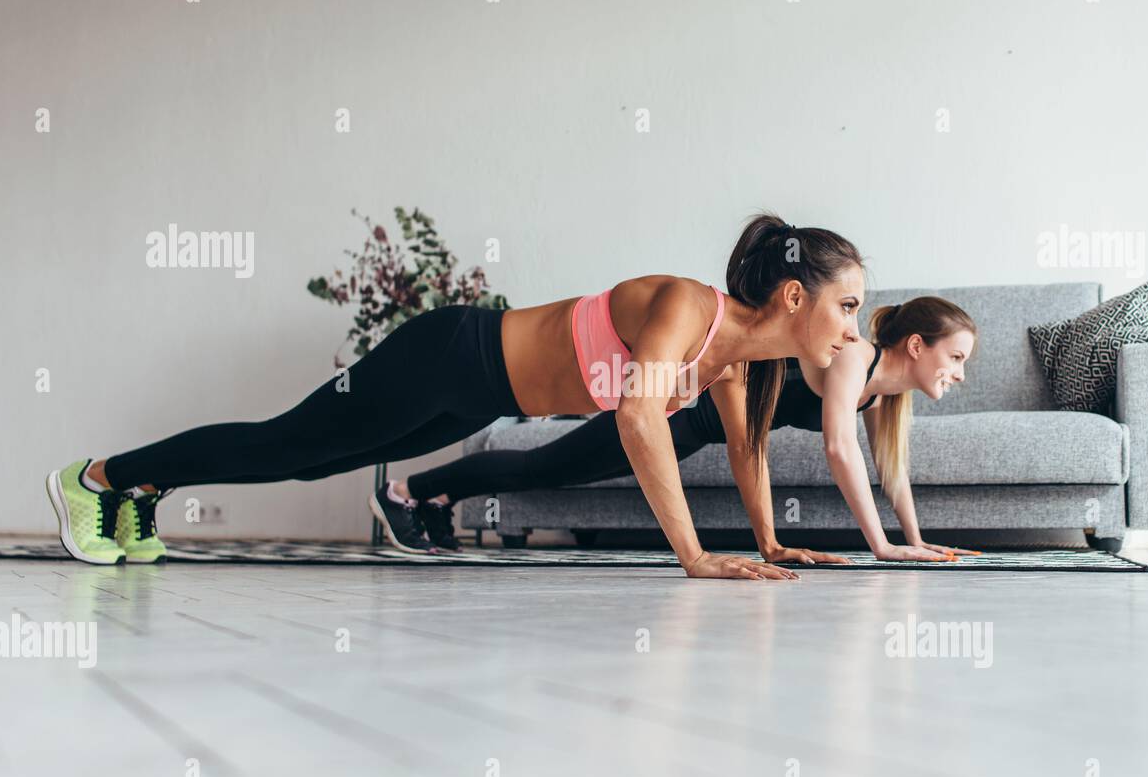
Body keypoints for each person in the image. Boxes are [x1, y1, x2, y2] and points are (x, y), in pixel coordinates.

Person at [46, 214, 866, 580]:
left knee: (305, 462)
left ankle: (142, 492)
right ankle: (99, 479)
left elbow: (746, 447)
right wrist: (694, 557)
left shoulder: (733, 367)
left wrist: (767, 543)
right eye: (849, 306)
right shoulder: (687, 307)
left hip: (477, 397)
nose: (853, 329)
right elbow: (637, 414)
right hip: (450, 354)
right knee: (286, 443)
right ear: (795, 297)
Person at [383, 297, 981, 564]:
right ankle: (409, 492)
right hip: (673, 414)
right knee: (546, 467)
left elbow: (890, 471)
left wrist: (916, 538)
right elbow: (838, 447)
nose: (959, 373)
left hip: (697, 429)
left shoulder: (887, 393)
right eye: (955, 358)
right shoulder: (857, 357)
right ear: (915, 345)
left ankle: (435, 497)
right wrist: (881, 546)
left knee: (552, 468)